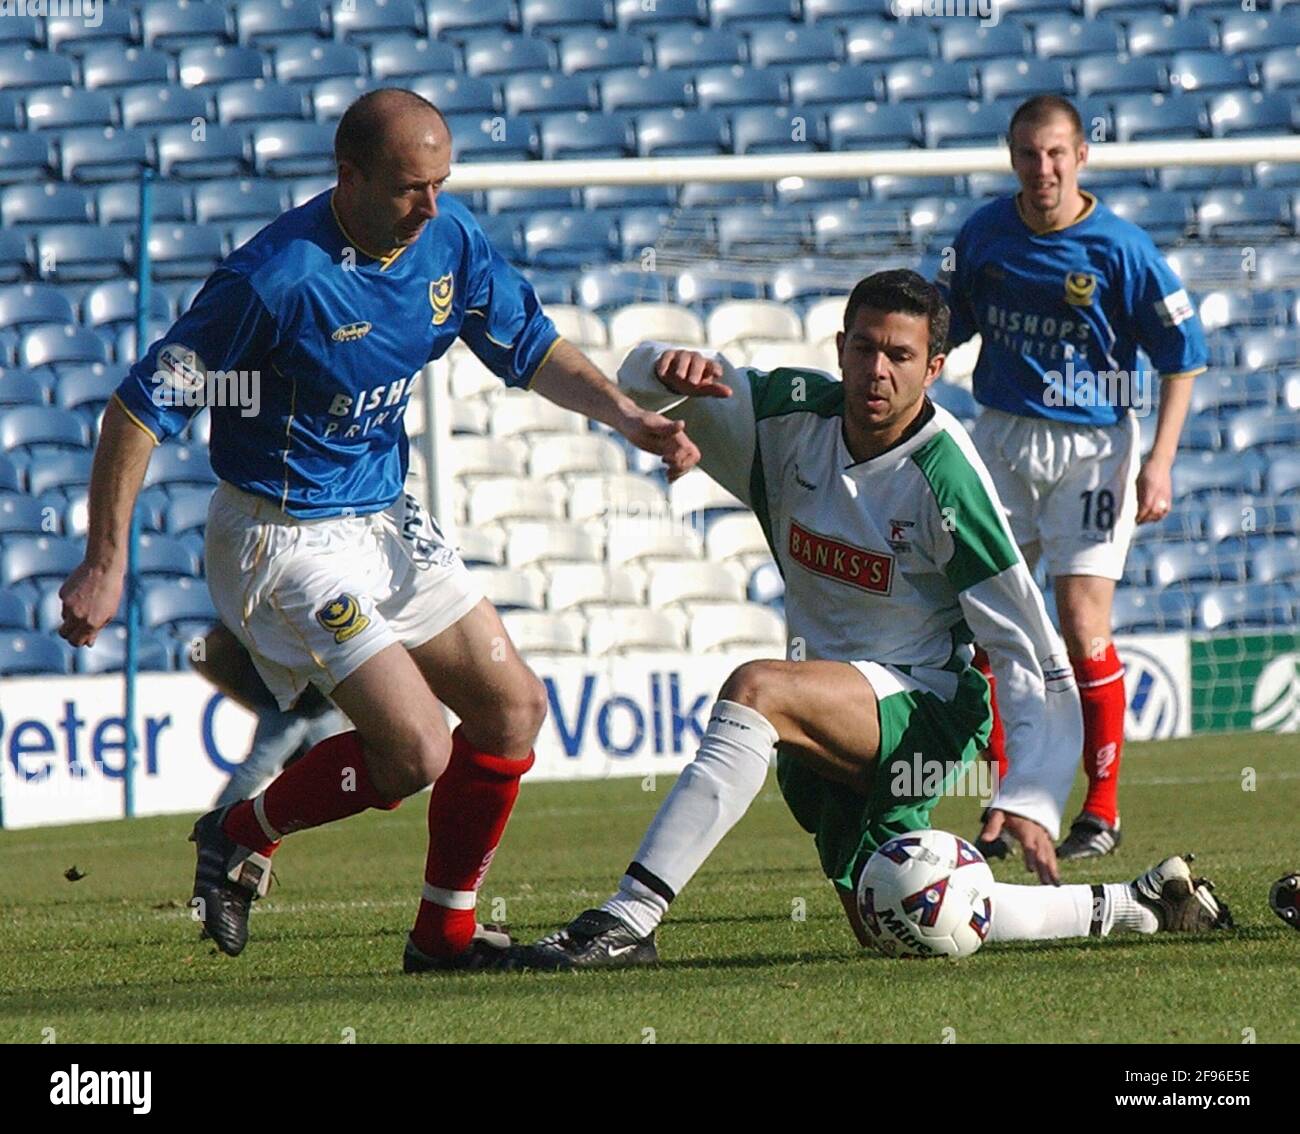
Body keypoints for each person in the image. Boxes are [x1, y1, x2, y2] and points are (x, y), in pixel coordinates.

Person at [57, 87, 702, 971]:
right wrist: (106, 561)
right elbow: (137, 410)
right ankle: (241, 832)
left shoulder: (447, 240)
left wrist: (627, 416)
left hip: (385, 517)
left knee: (512, 710)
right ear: (348, 177)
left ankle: (444, 939)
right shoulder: (274, 279)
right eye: (409, 188)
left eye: (441, 182)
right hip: (283, 536)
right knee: (415, 751)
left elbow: (531, 346)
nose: (431, 205)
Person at [508, 271, 1227, 970]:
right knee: (899, 909)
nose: (877, 369)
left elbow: (1032, 653)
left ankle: (629, 919)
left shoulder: (949, 482)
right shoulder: (787, 418)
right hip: (832, 705)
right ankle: (1142, 904)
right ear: (840, 348)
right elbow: (640, 388)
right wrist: (661, 370)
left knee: (757, 688)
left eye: (900, 355)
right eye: (864, 348)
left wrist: (1031, 794)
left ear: (935, 368)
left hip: (925, 707)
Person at [938, 95, 1209, 860]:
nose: (1043, 168)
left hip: (1093, 448)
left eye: (1057, 153)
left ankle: (1100, 809)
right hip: (1001, 439)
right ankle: (1009, 803)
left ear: (1082, 155)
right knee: (989, 629)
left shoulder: (1122, 250)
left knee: (1084, 628)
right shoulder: (984, 234)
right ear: (1012, 157)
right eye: (1029, 154)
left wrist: (1159, 463)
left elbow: (1183, 358)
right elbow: (945, 327)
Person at [192, 621, 349, 809]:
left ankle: (325, 806)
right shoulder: (264, 620)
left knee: (331, 764)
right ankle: (220, 811)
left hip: (318, 706)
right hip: (284, 707)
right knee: (260, 766)